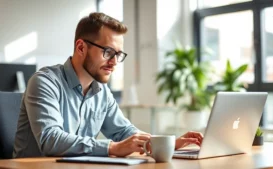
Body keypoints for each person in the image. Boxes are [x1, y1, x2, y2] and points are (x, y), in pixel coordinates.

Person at [13, 12, 203, 158]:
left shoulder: (101, 91)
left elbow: (124, 132)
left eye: (118, 54)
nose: (114, 62)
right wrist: (112, 147)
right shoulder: (45, 82)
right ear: (81, 47)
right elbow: (50, 140)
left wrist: (164, 144)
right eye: (108, 52)